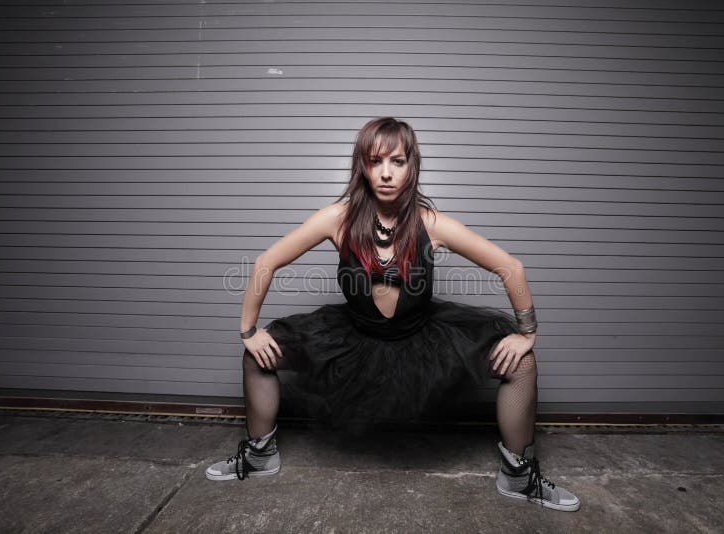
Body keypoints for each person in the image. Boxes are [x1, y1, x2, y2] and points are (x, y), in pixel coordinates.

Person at [205, 117, 580, 512]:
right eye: (375, 161)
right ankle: (259, 456)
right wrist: (248, 330)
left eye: (397, 161)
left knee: (522, 363)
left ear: (411, 165)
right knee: (257, 354)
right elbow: (266, 262)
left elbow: (511, 268)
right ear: (362, 166)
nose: (386, 173)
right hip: (351, 340)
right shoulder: (338, 219)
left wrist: (527, 332)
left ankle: (519, 476)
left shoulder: (431, 223)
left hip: (422, 341)